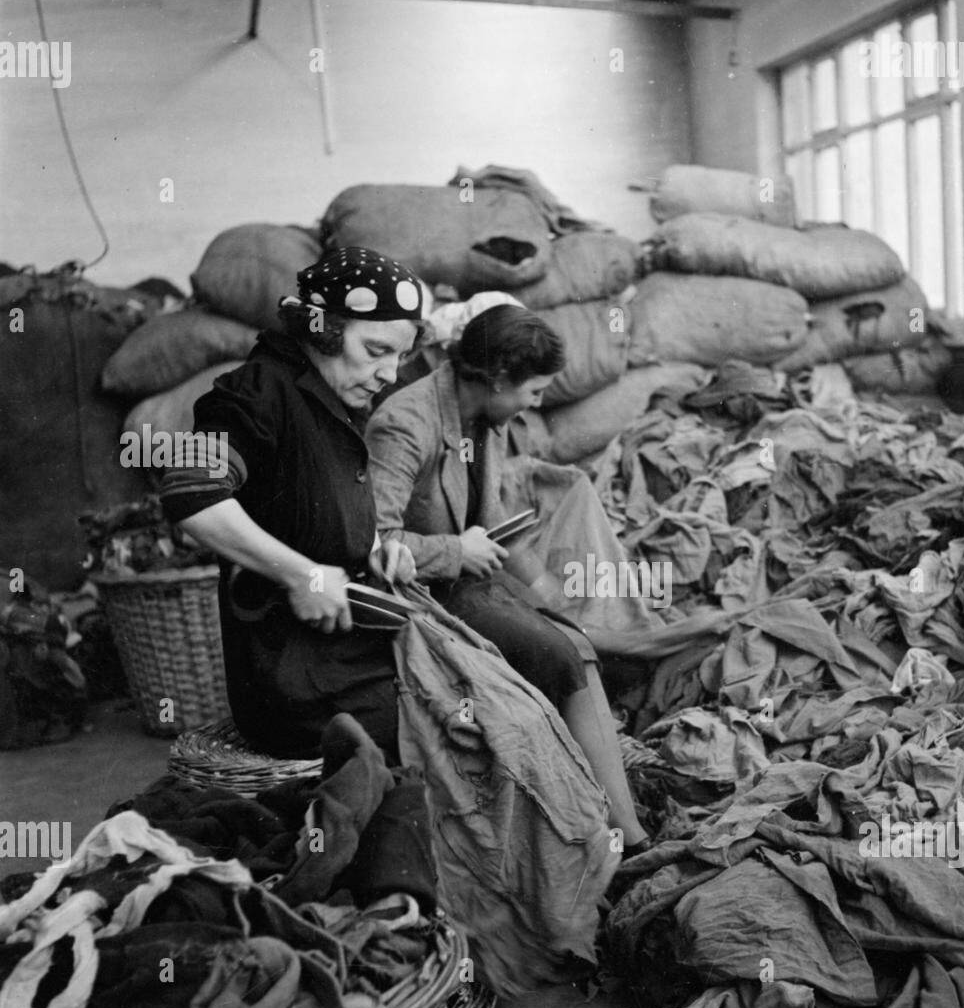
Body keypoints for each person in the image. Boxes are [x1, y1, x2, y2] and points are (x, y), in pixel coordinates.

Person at [366, 303, 651, 851]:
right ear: (497, 378)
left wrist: (545, 587)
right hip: (426, 598)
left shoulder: (484, 417)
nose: (536, 403)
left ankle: (602, 803)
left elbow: (492, 517)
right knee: (566, 655)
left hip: (469, 584)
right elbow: (375, 544)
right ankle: (625, 833)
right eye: (534, 390)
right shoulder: (404, 424)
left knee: (585, 639)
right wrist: (455, 549)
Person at [158, 247, 424, 760]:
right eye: (375, 350)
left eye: (399, 355)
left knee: (486, 684)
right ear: (324, 330)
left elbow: (314, 510)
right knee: (458, 717)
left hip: (345, 654)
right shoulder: (256, 391)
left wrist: (375, 550)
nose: (389, 373)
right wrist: (301, 575)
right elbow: (191, 490)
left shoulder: (336, 400)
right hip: (293, 679)